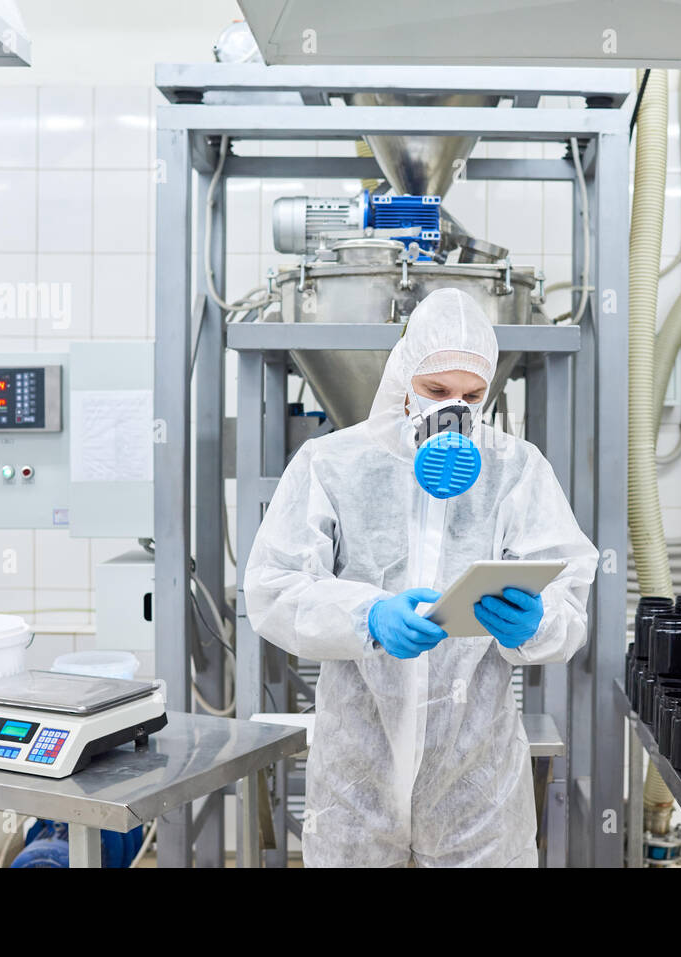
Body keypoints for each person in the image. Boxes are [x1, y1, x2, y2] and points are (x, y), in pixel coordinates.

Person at [243, 287, 599, 867]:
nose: (453, 407)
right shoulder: (332, 462)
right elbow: (273, 587)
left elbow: (569, 600)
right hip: (358, 771)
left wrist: (535, 624)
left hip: (473, 778)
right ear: (404, 379)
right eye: (436, 390)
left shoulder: (516, 468)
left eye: (472, 395)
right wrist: (368, 616)